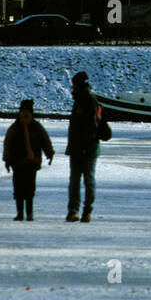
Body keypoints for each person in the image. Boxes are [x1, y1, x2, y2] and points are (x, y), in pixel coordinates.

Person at [3, 99, 55, 221]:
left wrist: (49, 153)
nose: (24, 115)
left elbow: (45, 141)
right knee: (18, 189)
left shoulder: (36, 127)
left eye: (27, 112)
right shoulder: (14, 128)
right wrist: (7, 160)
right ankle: (20, 213)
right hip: (18, 162)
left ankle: (29, 213)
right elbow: (8, 144)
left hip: (32, 162)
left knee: (30, 188)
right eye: (23, 112)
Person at [65, 71, 100, 222]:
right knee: (82, 181)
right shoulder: (81, 99)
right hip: (80, 148)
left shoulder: (87, 100)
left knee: (83, 181)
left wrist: (85, 145)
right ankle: (81, 211)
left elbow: (91, 126)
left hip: (86, 149)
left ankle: (81, 211)